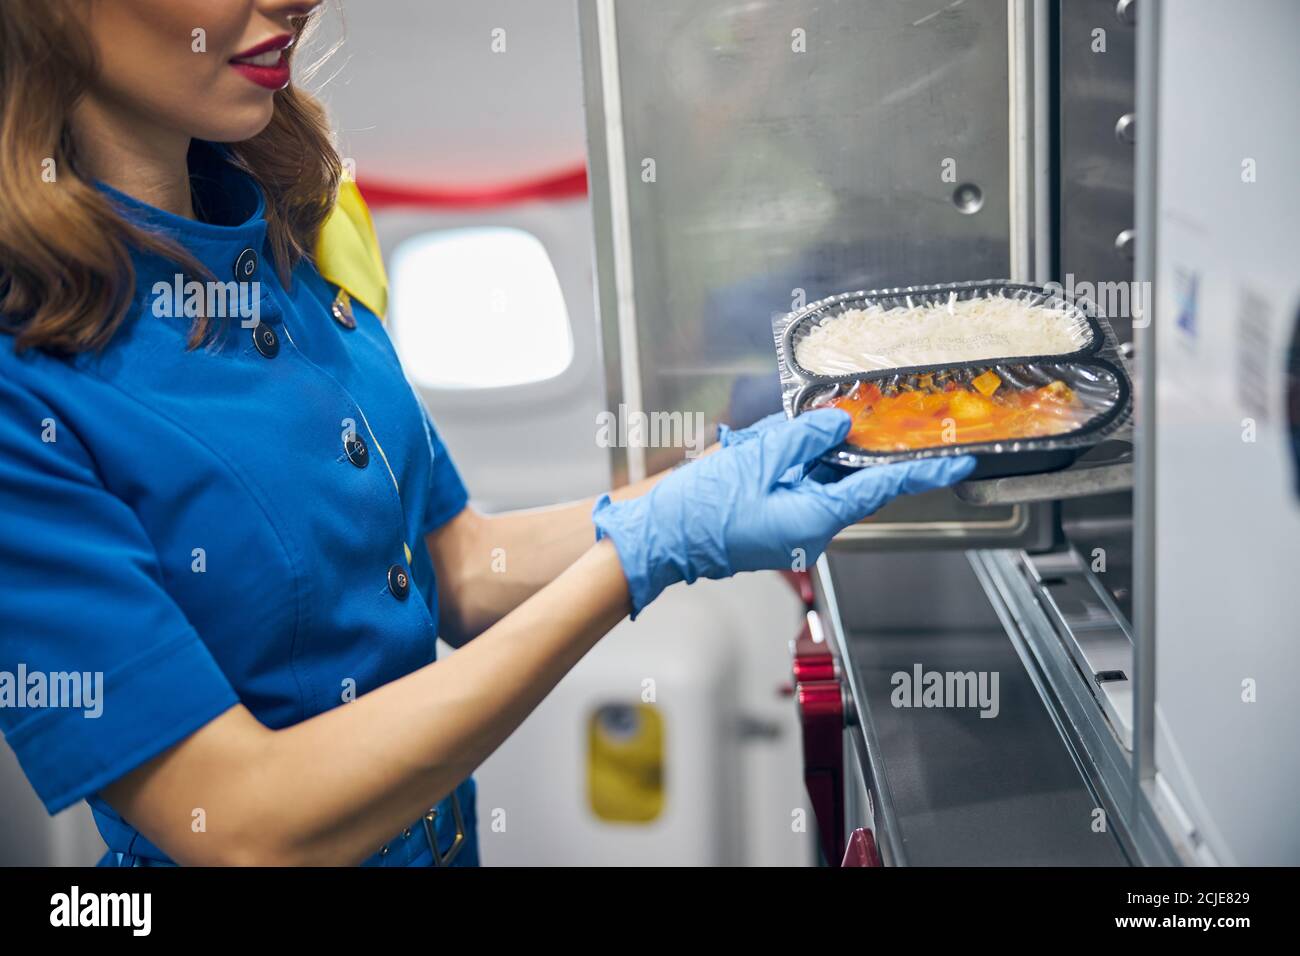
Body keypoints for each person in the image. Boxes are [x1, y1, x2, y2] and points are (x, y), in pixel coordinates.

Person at [0, 0, 973, 867]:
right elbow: (245, 819)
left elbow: (457, 561)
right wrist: (635, 558)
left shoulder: (288, 232)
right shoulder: (24, 391)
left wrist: (705, 484)